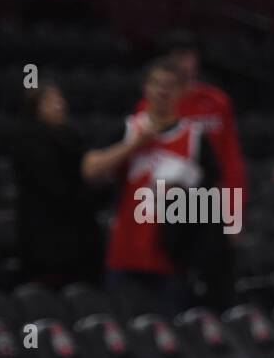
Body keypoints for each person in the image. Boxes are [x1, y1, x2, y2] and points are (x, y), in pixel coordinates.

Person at [83, 58, 221, 317]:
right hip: (125, 257)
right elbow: (90, 170)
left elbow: (215, 197)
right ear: (145, 88)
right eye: (156, 84)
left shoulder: (195, 137)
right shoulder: (128, 129)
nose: (162, 91)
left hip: (172, 261)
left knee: (170, 344)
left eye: (170, 86)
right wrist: (133, 146)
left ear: (182, 92)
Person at [135, 30, 246, 309]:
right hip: (167, 207)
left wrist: (233, 215)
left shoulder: (217, 101)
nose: (182, 63)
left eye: (187, 55)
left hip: (208, 203)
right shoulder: (150, 105)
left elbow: (230, 162)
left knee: (218, 288)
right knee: (172, 289)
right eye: (175, 56)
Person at [7, 84, 103, 287]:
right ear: (35, 107)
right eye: (51, 101)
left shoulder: (72, 136)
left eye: (60, 99)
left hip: (78, 233)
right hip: (46, 236)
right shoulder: (28, 140)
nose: (60, 105)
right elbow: (55, 187)